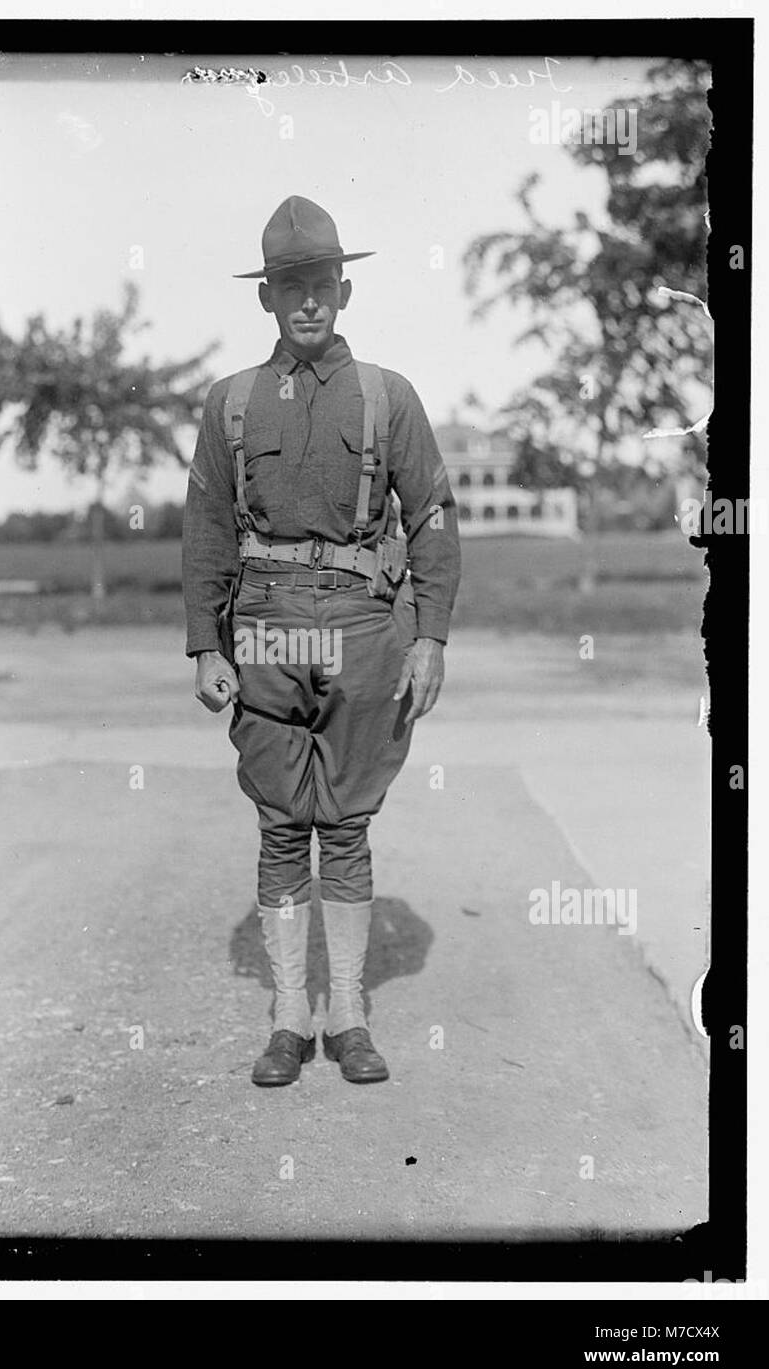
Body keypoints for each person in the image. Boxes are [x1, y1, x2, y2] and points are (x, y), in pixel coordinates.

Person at [182, 195, 461, 1086]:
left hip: (364, 626)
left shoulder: (389, 395)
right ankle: (287, 1019)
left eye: (320, 286)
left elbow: (431, 520)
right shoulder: (230, 404)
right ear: (266, 297)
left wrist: (430, 640)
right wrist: (205, 645)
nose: (306, 301)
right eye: (288, 286)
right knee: (278, 824)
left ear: (344, 291)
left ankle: (347, 1017)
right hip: (262, 628)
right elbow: (206, 531)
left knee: (344, 825)